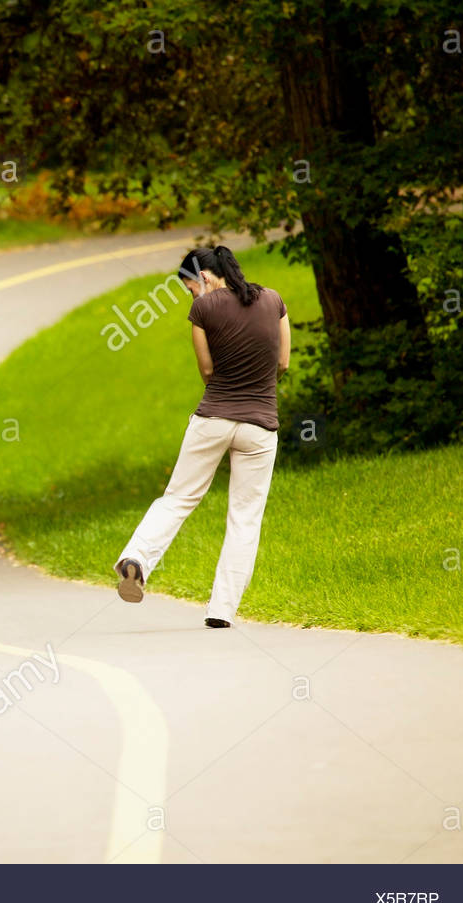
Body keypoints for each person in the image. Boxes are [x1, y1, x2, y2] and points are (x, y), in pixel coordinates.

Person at [113, 246, 291, 628]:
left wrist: (227, 387)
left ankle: (138, 560)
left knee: (179, 497)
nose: (193, 296)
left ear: (206, 277)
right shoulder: (274, 301)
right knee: (245, 518)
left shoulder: (203, 311)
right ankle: (221, 611)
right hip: (261, 426)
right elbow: (283, 363)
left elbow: (207, 370)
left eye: (191, 288)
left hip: (213, 417)